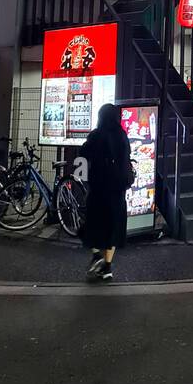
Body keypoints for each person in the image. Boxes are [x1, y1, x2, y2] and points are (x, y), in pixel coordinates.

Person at [80, 104, 134, 283]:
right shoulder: (122, 135)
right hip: (117, 190)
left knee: (93, 225)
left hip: (99, 189)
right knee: (113, 228)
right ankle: (107, 267)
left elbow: (83, 153)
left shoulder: (96, 135)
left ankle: (97, 257)